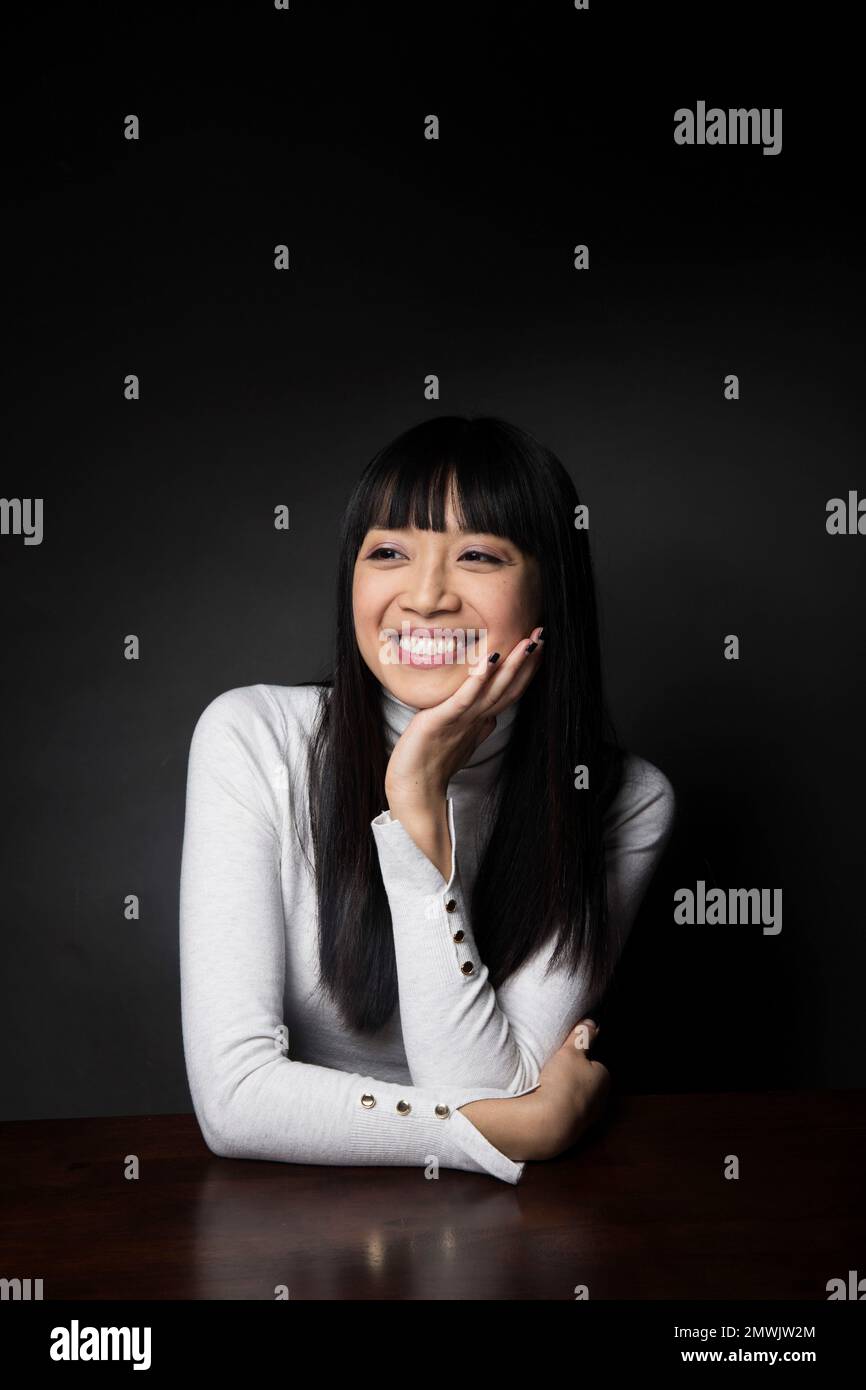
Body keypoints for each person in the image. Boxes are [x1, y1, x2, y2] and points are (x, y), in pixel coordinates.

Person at [179, 414, 676, 1184]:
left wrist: (415, 798)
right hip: (291, 1227)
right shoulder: (251, 736)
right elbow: (235, 1102)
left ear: (552, 590)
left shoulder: (622, 800)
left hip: (497, 1243)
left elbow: (483, 1089)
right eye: (389, 552)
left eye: (478, 555)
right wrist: (528, 1124)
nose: (425, 595)